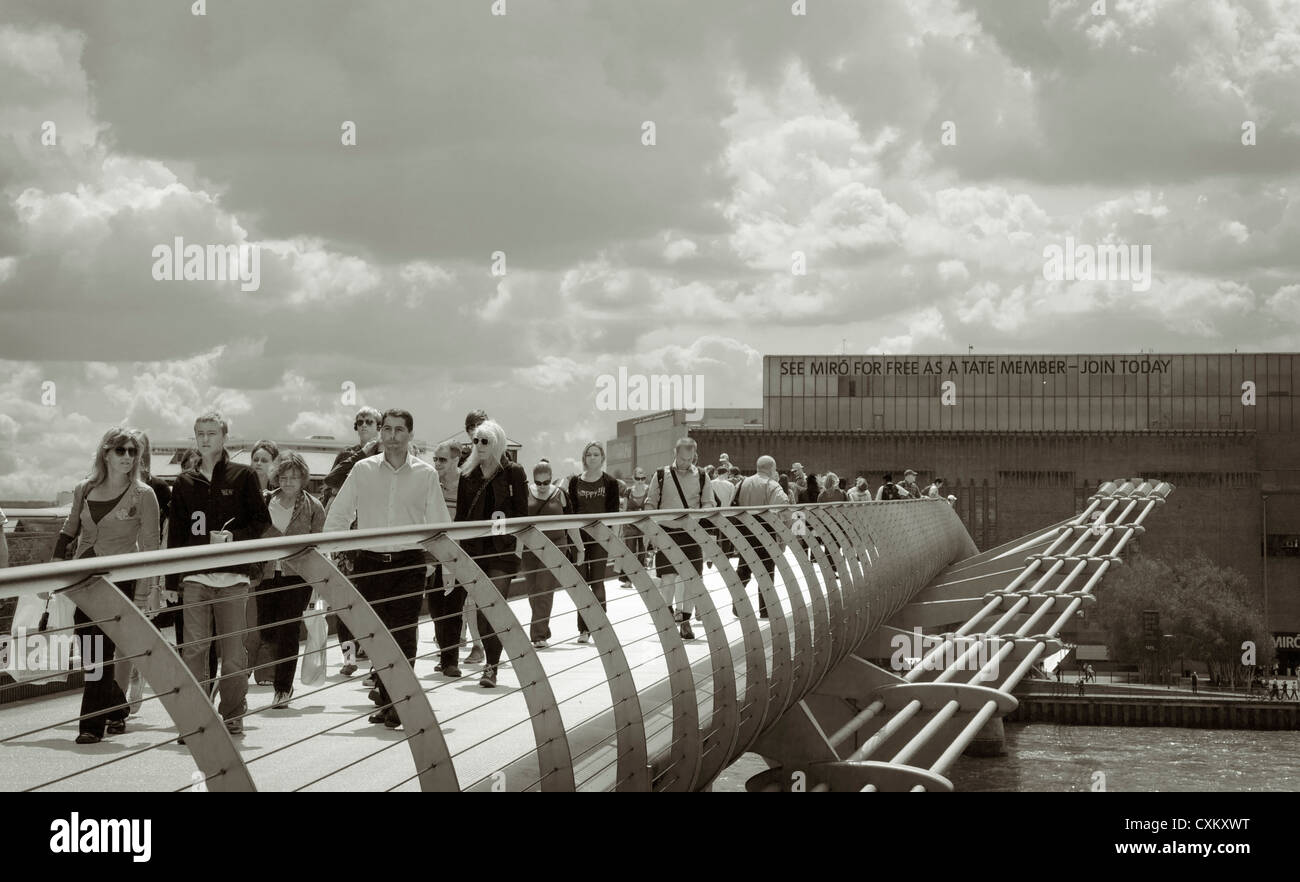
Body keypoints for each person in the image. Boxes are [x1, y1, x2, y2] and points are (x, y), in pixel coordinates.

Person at [325, 409, 448, 725]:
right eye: (388, 429)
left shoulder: (426, 474)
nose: (393, 436)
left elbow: (439, 526)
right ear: (380, 433)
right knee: (375, 636)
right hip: (369, 563)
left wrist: (445, 566)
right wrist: (331, 555)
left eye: (400, 430)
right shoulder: (362, 470)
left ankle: (398, 703)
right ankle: (384, 693)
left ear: (409, 435)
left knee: (404, 634)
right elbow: (338, 516)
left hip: (409, 564)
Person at [52, 427, 161, 744]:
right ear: (106, 453)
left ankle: (90, 725)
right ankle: (117, 707)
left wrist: (145, 593)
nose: (128, 456)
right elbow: (69, 527)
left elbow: (152, 549)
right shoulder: (84, 489)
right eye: (121, 450)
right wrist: (56, 565)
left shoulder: (144, 495)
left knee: (102, 649)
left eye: (132, 451)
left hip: (120, 582)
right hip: (84, 578)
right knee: (89, 648)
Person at [167, 411, 270, 737]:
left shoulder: (244, 477)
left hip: (233, 579)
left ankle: (232, 714)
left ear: (224, 437)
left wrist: (233, 538)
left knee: (233, 654)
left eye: (212, 433)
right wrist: (172, 581)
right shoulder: (184, 482)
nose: (206, 438)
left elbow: (261, 525)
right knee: (194, 650)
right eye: (200, 433)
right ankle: (196, 720)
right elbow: (177, 536)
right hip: (196, 578)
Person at [453, 420, 528, 687]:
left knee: (495, 606)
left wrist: (510, 532)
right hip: (475, 550)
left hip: (503, 551)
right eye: (476, 441)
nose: (479, 446)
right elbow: (461, 517)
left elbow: (522, 514)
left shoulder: (513, 473)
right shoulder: (467, 474)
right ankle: (492, 659)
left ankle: (492, 667)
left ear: (497, 442)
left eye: (485, 441)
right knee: (483, 610)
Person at [257, 452, 326, 709]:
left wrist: (319, 583)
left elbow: (318, 545)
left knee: (288, 631)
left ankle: (283, 688)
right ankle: (280, 672)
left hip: (296, 576)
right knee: (267, 630)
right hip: (265, 574)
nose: (288, 482)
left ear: (303, 479)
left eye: (294, 478)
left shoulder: (313, 507)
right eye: (283, 477)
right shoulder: (265, 502)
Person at [322, 407, 382, 675]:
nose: (364, 425)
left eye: (370, 421)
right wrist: (362, 454)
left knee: (369, 595)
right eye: (360, 422)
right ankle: (349, 656)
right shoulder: (348, 455)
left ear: (379, 426)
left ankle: (369, 647)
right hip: (347, 535)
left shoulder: (388, 453)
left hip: (372, 532)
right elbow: (331, 480)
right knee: (344, 597)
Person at [646, 437, 716, 640]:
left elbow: (709, 503)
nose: (687, 463)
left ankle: (685, 621)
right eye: (683, 459)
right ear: (675, 454)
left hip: (692, 532)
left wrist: (696, 515)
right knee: (667, 578)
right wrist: (650, 527)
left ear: (695, 455)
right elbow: (651, 502)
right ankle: (667, 623)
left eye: (691, 459)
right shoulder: (661, 475)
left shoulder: (702, 475)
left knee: (692, 579)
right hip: (666, 531)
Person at [521, 460, 583, 648]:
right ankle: (542, 629)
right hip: (530, 547)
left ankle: (538, 635)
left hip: (555, 545)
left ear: (550, 479)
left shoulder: (561, 494)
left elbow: (571, 524)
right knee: (532, 591)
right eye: (538, 483)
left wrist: (580, 548)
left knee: (544, 589)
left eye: (545, 482)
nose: (541, 487)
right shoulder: (525, 493)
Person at [564, 442, 622, 644]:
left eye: (596, 454)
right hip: (578, 536)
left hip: (600, 536)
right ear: (584, 458)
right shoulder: (574, 482)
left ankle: (599, 626)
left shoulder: (610, 483)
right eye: (589, 454)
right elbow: (570, 514)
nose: (592, 458)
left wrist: (613, 543)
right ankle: (583, 629)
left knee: (597, 582)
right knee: (581, 584)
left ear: (602, 458)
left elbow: (614, 515)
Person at [427, 441, 470, 676]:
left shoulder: (468, 483)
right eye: (435, 459)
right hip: (433, 554)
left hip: (457, 554)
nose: (437, 463)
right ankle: (444, 654)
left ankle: (450, 661)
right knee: (436, 608)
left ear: (456, 460)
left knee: (454, 608)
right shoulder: (430, 482)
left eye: (442, 459)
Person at [731, 456, 790, 619]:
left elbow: (732, 506)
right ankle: (765, 609)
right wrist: (785, 535)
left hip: (744, 530)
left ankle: (737, 605)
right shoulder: (771, 485)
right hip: (765, 530)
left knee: (744, 569)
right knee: (766, 570)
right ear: (772, 468)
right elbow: (784, 507)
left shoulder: (741, 483)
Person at [246, 439, 280, 684]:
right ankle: (243, 667)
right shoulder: (240, 492)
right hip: (246, 565)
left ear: (274, 465)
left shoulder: (278, 497)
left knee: (269, 619)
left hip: (271, 566)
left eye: (264, 460)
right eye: (255, 459)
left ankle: (266, 672)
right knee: (247, 620)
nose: (258, 464)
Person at [619, 469, 652, 582]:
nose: (640, 481)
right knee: (630, 553)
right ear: (633, 478)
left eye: (643, 478)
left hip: (644, 527)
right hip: (630, 527)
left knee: (642, 553)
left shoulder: (649, 490)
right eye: (638, 478)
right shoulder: (628, 491)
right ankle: (628, 580)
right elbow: (624, 510)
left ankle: (640, 579)